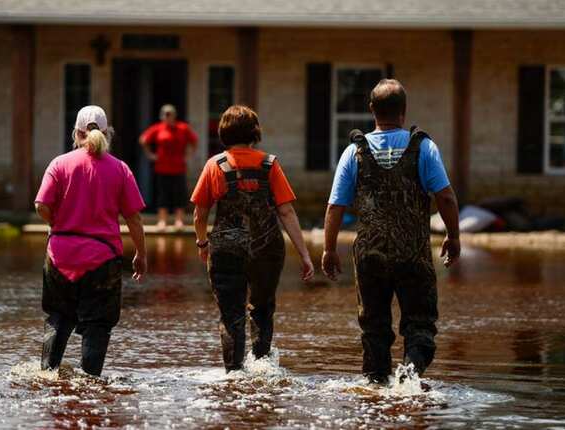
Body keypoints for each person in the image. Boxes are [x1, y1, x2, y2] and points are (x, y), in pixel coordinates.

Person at [321, 79, 461, 385]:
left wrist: (329, 249)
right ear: (404, 111)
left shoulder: (353, 153)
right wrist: (454, 235)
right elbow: (446, 197)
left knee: (374, 327)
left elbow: (335, 207)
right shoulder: (424, 147)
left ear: (372, 110)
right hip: (413, 255)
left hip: (370, 256)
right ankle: (408, 381)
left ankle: (375, 391)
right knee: (420, 325)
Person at [192, 105, 315, 372]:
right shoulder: (269, 164)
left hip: (225, 250)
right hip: (266, 250)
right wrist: (304, 254)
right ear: (254, 133)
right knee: (262, 309)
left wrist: (203, 244)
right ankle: (262, 368)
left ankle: (234, 374)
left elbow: (199, 215)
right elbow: (286, 211)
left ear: (223, 133)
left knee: (231, 315)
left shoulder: (214, 165)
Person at [34, 105, 148, 376]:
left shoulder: (59, 164)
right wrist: (141, 254)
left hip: (60, 257)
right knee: (98, 324)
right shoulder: (120, 169)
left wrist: (57, 225)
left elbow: (41, 205)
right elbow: (134, 219)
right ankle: (90, 382)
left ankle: (46, 375)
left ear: (76, 133)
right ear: (107, 133)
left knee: (58, 318)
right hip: (102, 259)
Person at [139, 104, 198, 229]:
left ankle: (179, 221)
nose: (167, 117)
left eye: (170, 114)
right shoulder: (158, 128)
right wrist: (151, 155)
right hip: (162, 168)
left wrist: (188, 156)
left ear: (174, 115)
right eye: (165, 114)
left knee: (179, 194)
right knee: (163, 195)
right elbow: (143, 140)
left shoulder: (183, 128)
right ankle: (162, 221)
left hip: (178, 167)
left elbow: (194, 141)